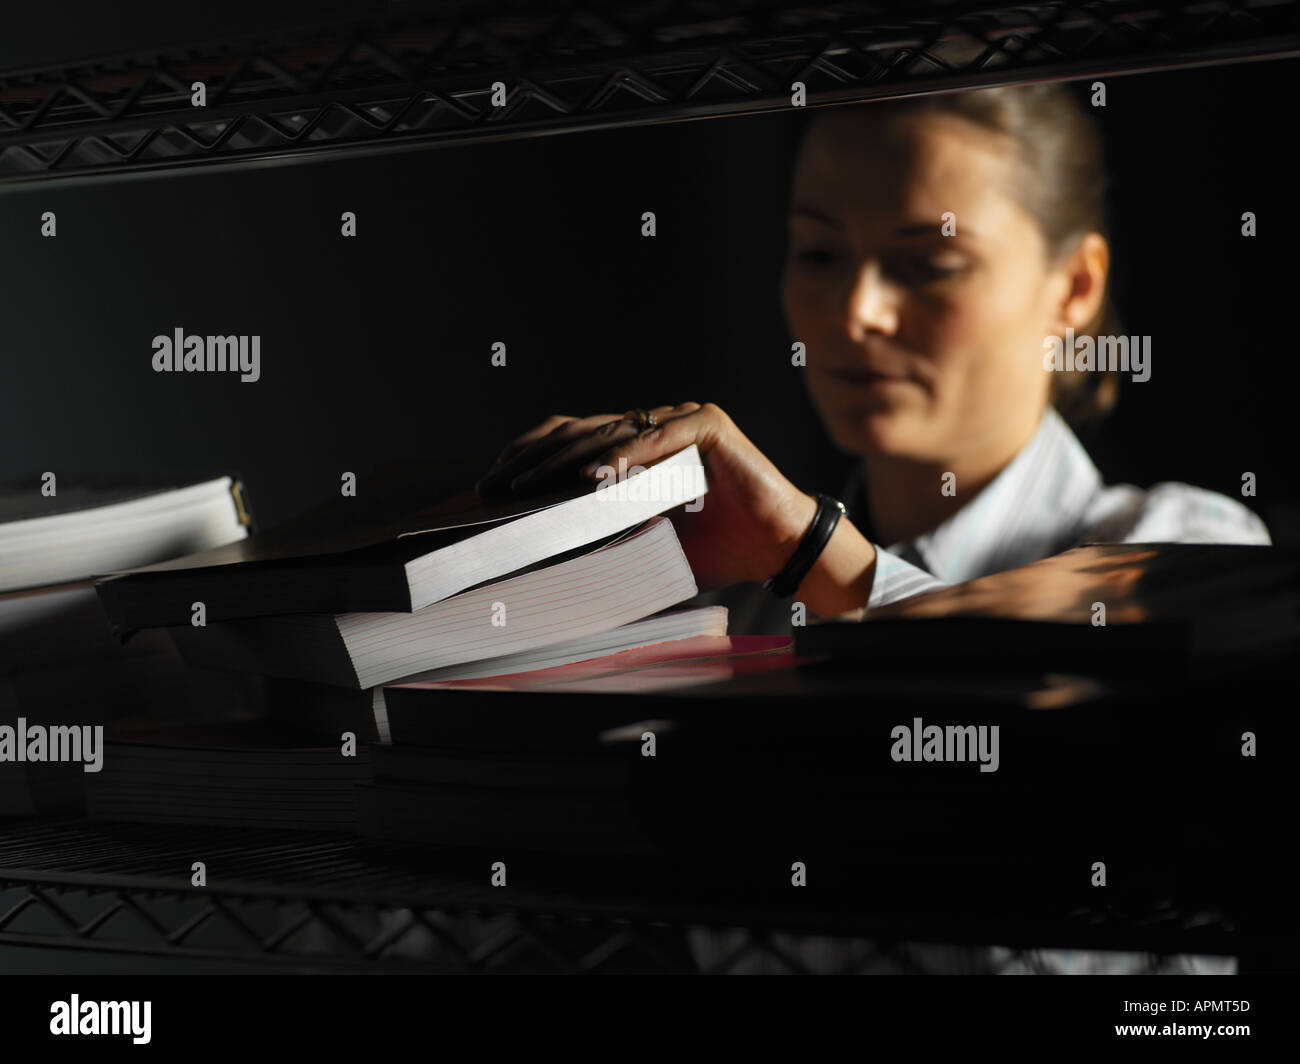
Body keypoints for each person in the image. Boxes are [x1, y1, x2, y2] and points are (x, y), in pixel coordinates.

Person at [475, 83, 1268, 973]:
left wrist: (819, 554)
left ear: (1075, 288)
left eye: (928, 264)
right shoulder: (736, 609)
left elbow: (1115, 941)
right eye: (818, 253)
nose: (856, 315)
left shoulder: (1189, 552)